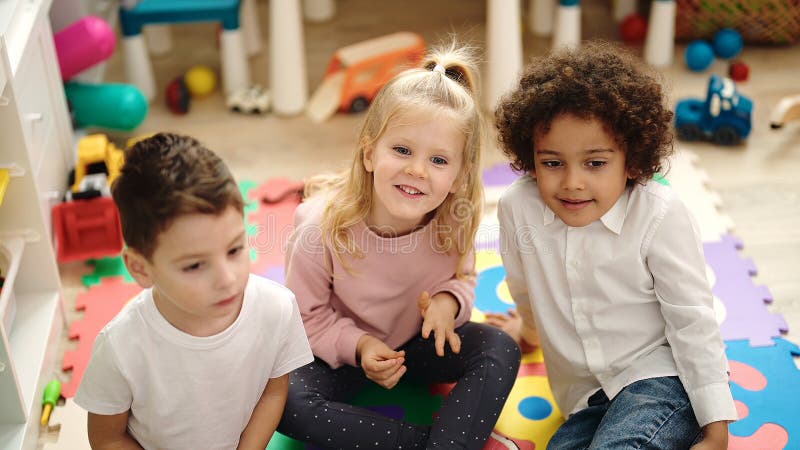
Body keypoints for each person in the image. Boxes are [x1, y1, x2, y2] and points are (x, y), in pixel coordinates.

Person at [490, 42, 737, 450]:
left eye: (595, 163)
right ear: (530, 158)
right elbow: (523, 286)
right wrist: (528, 329)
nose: (572, 182)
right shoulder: (518, 208)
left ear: (633, 160)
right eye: (552, 163)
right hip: (584, 399)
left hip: (659, 380)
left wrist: (715, 428)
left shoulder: (660, 215)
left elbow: (694, 320)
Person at [276, 43, 522, 450]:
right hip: (341, 351)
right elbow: (306, 318)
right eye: (402, 150)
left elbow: (462, 279)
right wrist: (360, 346)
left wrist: (447, 304)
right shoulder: (318, 227)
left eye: (439, 161)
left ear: (459, 177)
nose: (416, 170)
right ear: (370, 152)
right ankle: (440, 443)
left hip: (416, 344)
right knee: (287, 402)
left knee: (500, 348)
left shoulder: (453, 220)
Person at [74, 133, 313, 450]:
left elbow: (273, 391)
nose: (227, 279)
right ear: (141, 268)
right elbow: (107, 437)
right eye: (194, 266)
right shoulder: (121, 346)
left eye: (234, 250)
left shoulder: (276, 308)